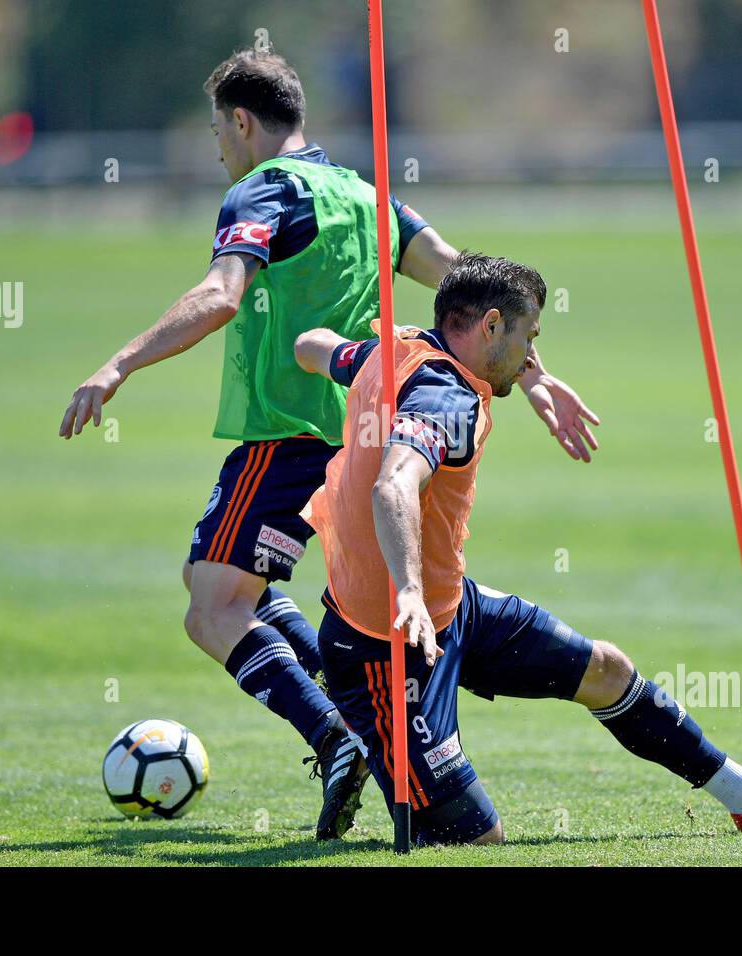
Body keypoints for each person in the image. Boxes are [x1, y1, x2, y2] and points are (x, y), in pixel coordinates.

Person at [57, 52, 599, 839]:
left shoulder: (263, 189)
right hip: (365, 437)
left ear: (242, 121)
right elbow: (465, 279)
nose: (218, 148)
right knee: (219, 581)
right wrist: (537, 375)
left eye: (218, 129)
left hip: (289, 430)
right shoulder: (365, 194)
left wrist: (118, 365)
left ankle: (335, 736)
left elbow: (220, 295)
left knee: (212, 611)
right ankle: (341, 709)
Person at [295, 252, 742, 845]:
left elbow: (312, 344)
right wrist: (406, 588)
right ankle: (355, 725)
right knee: (479, 841)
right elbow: (394, 484)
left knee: (606, 670)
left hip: (451, 608)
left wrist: (530, 381)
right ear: (489, 326)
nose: (532, 355)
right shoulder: (445, 399)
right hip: (386, 642)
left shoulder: (393, 349)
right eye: (529, 337)